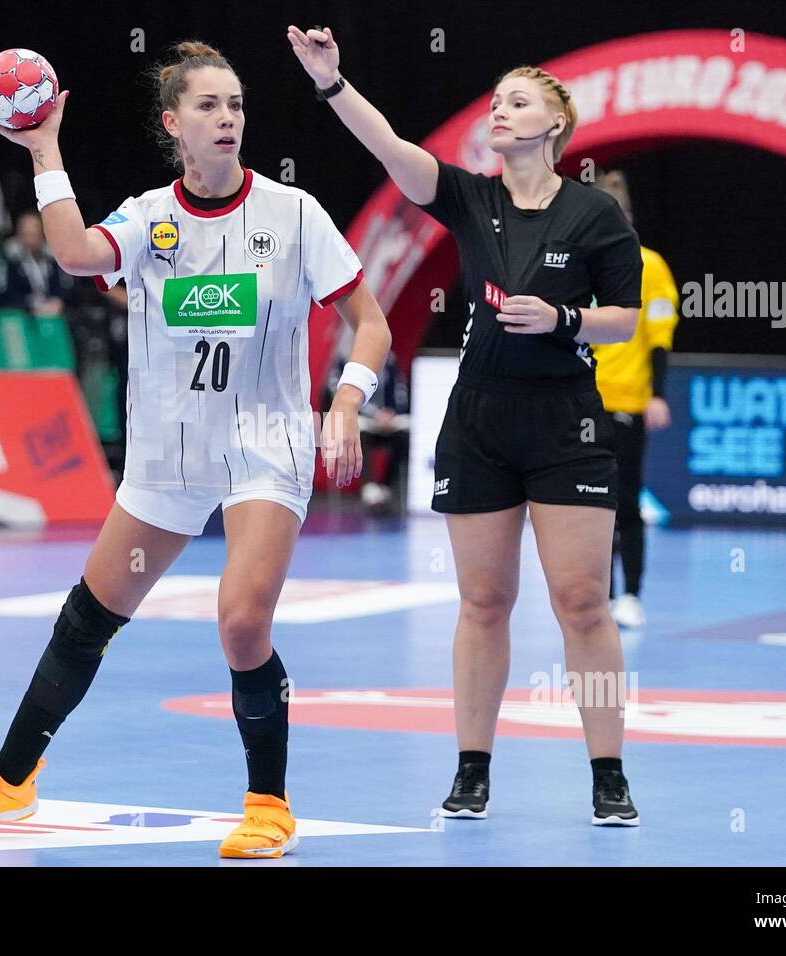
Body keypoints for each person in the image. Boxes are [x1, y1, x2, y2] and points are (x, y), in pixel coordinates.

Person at [0, 40, 392, 859]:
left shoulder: (293, 214)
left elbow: (369, 323)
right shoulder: (148, 217)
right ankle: (9, 780)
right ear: (174, 124)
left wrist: (346, 403)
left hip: (264, 446)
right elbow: (72, 254)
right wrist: (45, 148)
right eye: (208, 105)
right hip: (169, 451)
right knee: (87, 617)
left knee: (242, 623)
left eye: (235, 104)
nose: (228, 117)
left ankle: (268, 806)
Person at [289, 26, 642, 825]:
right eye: (494, 102)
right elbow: (386, 145)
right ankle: (473, 768)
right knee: (483, 601)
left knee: (583, 601)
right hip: (479, 420)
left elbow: (624, 320)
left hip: (566, 426)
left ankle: (609, 772)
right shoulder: (467, 195)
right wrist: (331, 81)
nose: (500, 110)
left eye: (517, 101)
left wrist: (563, 316)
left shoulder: (595, 216)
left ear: (554, 124)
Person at [590, 170, 680, 630]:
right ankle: (597, 595)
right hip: (582, 400)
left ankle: (631, 595)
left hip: (628, 399)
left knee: (626, 501)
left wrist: (657, 395)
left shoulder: (652, 267)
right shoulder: (581, 262)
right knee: (589, 503)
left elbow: (658, 338)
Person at [322, 350, 409, 514]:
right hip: (361, 419)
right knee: (360, 435)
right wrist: (375, 414)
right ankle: (369, 487)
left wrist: (392, 412)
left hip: (387, 420)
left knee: (404, 436)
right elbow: (338, 395)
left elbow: (400, 390)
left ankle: (384, 488)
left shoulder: (389, 360)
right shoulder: (343, 361)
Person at [0, 209, 65, 317]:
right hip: (22, 316)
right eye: (26, 233)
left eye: (34, 233)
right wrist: (32, 307)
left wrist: (58, 301)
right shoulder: (10, 261)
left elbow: (64, 287)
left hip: (53, 314)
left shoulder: (52, 260)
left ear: (42, 234)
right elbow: (4, 295)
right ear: (19, 234)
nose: (30, 239)